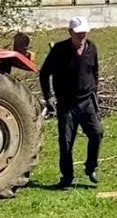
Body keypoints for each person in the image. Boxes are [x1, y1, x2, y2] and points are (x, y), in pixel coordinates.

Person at [38, 16, 102, 188]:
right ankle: (67, 177)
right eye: (78, 33)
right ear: (70, 32)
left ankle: (91, 167)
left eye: (84, 33)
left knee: (97, 133)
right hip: (67, 103)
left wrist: (94, 92)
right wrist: (49, 96)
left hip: (87, 101)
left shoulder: (91, 48)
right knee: (66, 142)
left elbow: (95, 71)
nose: (82, 36)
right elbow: (44, 73)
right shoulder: (59, 50)